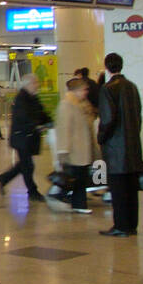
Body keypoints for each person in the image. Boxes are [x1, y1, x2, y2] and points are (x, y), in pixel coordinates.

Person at [97, 52, 143, 237]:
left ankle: (120, 226)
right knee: (132, 189)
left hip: (116, 149)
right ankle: (132, 225)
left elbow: (108, 119)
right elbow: (138, 116)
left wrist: (101, 137)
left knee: (118, 190)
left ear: (107, 67)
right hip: (132, 145)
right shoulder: (132, 87)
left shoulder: (108, 89)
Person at [0, 74, 52, 202]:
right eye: (34, 83)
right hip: (21, 137)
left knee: (24, 164)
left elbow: (40, 112)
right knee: (28, 165)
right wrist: (36, 126)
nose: (37, 85)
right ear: (27, 85)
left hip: (29, 136)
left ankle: (3, 178)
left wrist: (49, 121)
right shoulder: (21, 98)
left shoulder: (33, 97)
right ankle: (32, 191)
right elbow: (23, 117)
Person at [50, 77, 97, 213]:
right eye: (84, 89)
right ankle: (62, 197)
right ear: (76, 90)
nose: (86, 92)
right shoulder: (67, 105)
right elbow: (64, 128)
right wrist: (63, 150)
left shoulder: (80, 104)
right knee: (75, 177)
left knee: (80, 177)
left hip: (81, 148)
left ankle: (79, 204)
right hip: (74, 149)